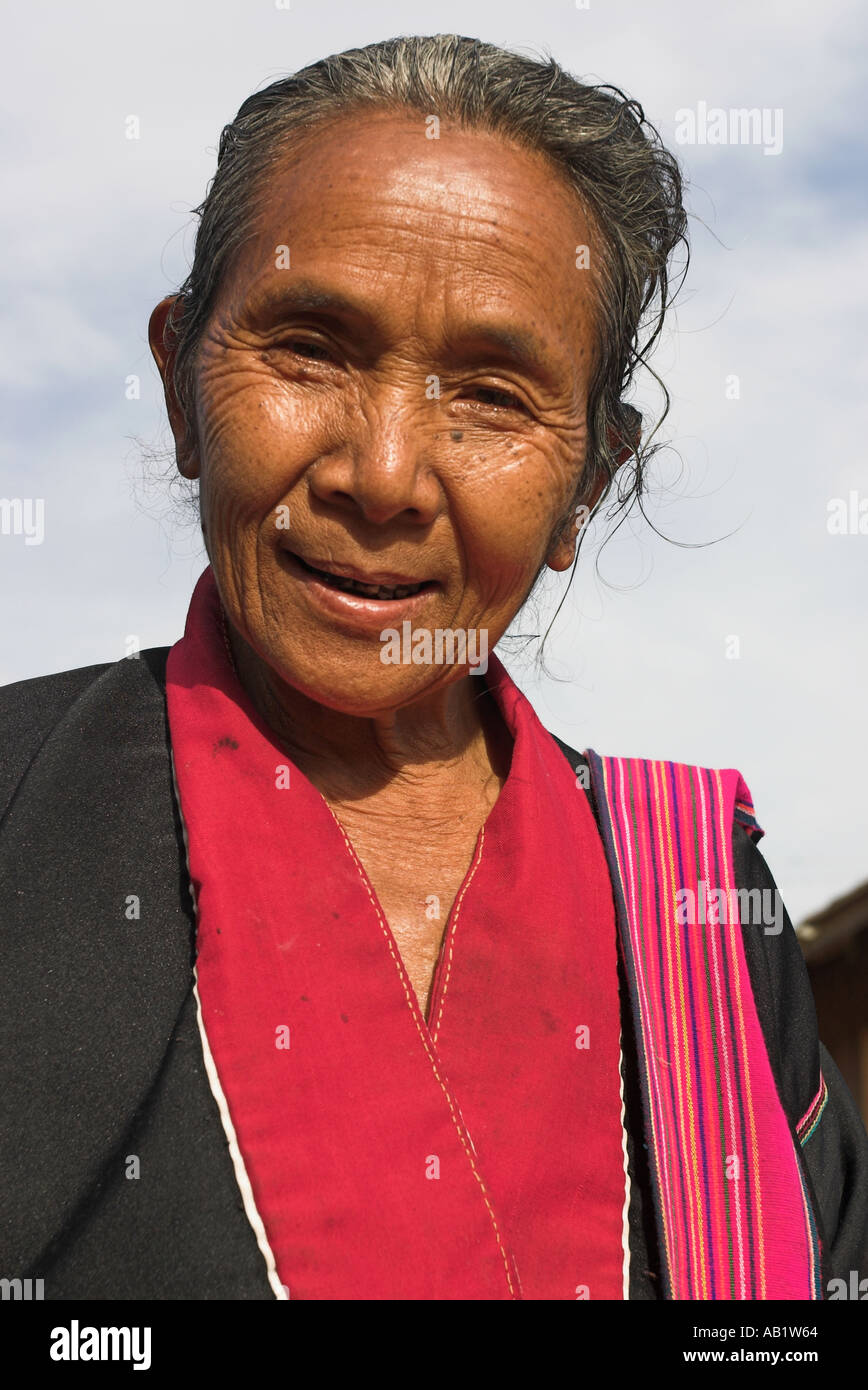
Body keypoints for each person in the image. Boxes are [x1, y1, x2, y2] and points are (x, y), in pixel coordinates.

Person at [2, 33, 866, 1301]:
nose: (385, 473)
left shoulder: (697, 899)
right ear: (183, 388)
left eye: (493, 395)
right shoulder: (23, 808)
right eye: (308, 348)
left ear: (587, 485)